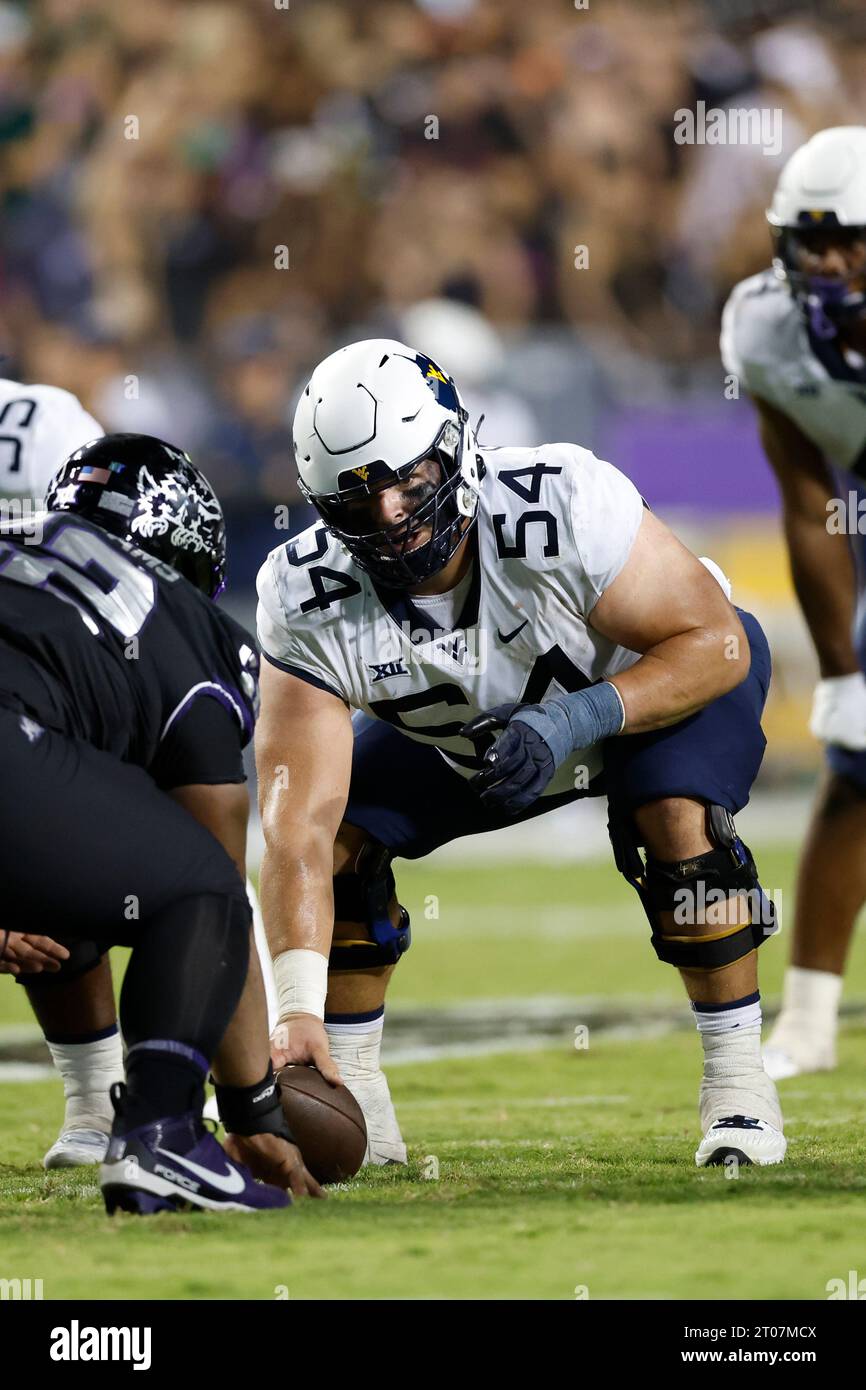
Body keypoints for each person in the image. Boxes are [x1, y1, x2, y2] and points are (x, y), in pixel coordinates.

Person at [256, 339, 784, 1169]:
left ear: (456, 451)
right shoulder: (303, 595)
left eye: (410, 483)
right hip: (480, 739)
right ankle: (355, 1087)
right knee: (340, 839)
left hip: (649, 691)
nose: (392, 516)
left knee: (678, 824)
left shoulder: (560, 499)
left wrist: (576, 719)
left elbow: (715, 644)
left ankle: (739, 1083)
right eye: (359, 504)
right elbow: (295, 833)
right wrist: (294, 1014)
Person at [0, 432, 321, 1212]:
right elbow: (214, 883)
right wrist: (251, 1106)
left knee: (78, 881)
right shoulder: (184, 621)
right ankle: (161, 1132)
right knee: (197, 887)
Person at [721, 125, 866, 1079]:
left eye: (849, 238)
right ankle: (810, 1019)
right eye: (807, 242)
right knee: (859, 758)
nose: (826, 263)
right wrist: (846, 669)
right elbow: (812, 507)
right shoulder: (765, 330)